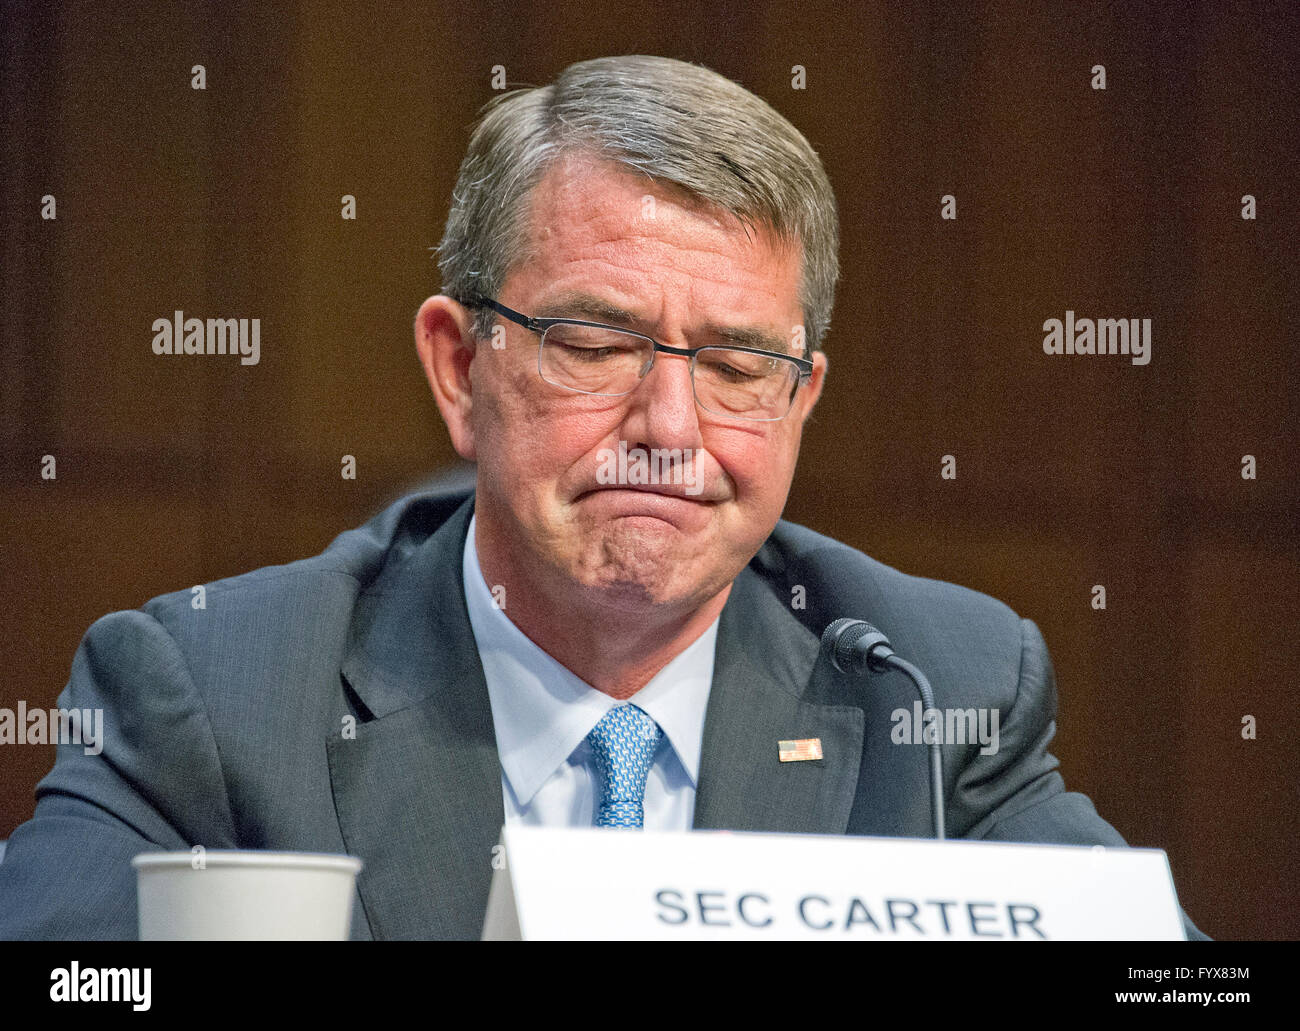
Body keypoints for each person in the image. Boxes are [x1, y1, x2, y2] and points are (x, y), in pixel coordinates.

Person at [0, 54, 1205, 940]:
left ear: (800, 401)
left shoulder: (936, 689)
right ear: (461, 367)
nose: (670, 428)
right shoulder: (213, 691)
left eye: (738, 365)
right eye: (593, 341)